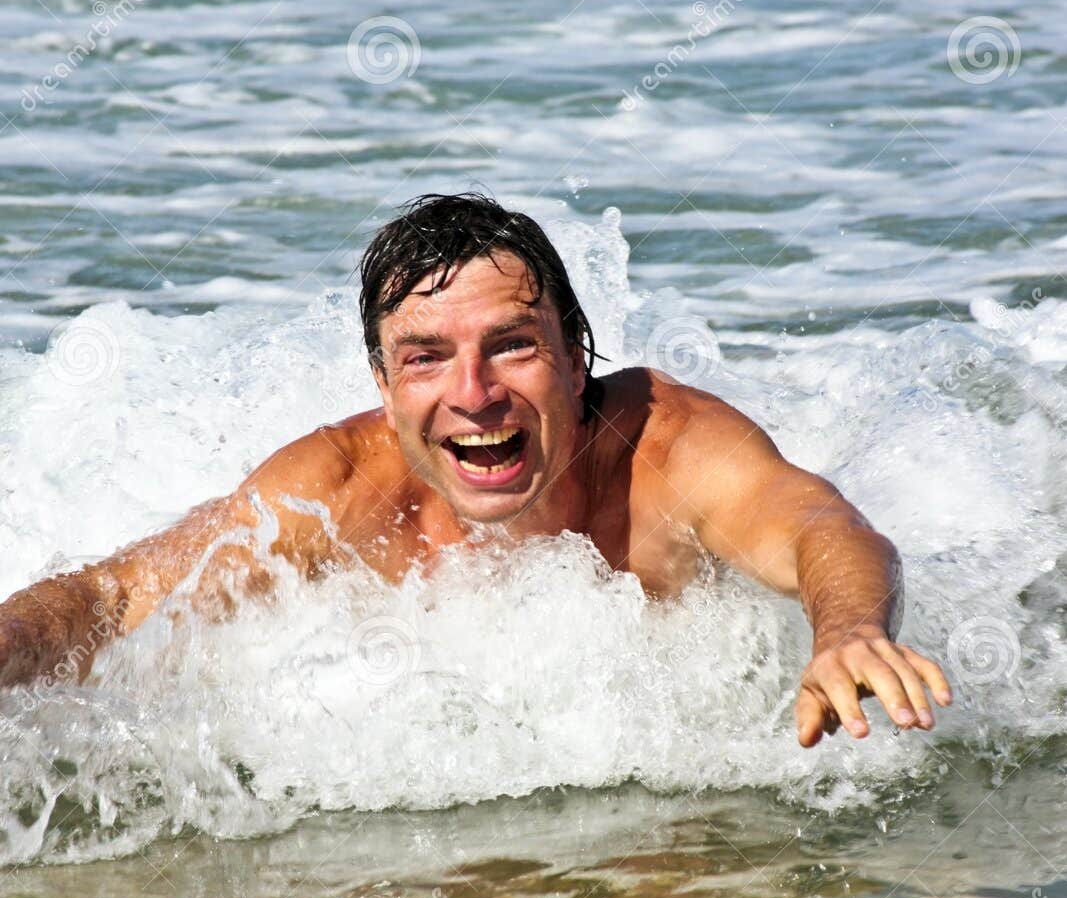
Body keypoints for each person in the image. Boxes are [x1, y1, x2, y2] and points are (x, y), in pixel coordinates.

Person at [0, 192, 951, 746]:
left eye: (512, 346)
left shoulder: (664, 448)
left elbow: (822, 528)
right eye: (424, 359)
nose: (473, 393)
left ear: (577, 358)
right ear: (382, 386)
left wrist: (847, 632)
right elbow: (112, 602)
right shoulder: (342, 488)